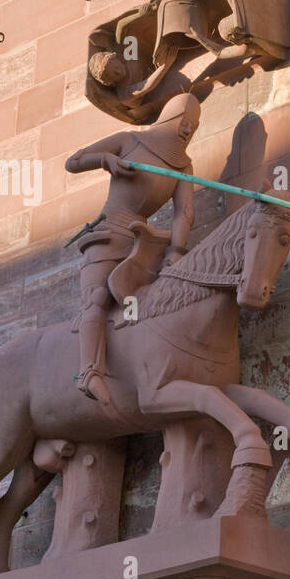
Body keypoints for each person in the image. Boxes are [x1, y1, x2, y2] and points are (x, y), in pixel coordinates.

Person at [64, 93, 200, 404]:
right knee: (96, 298)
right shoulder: (128, 140)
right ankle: (90, 372)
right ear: (170, 118)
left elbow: (185, 213)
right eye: (183, 122)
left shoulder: (184, 166)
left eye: (192, 126)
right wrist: (104, 159)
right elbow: (72, 162)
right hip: (109, 232)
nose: (186, 131)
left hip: (144, 241)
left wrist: (176, 251)